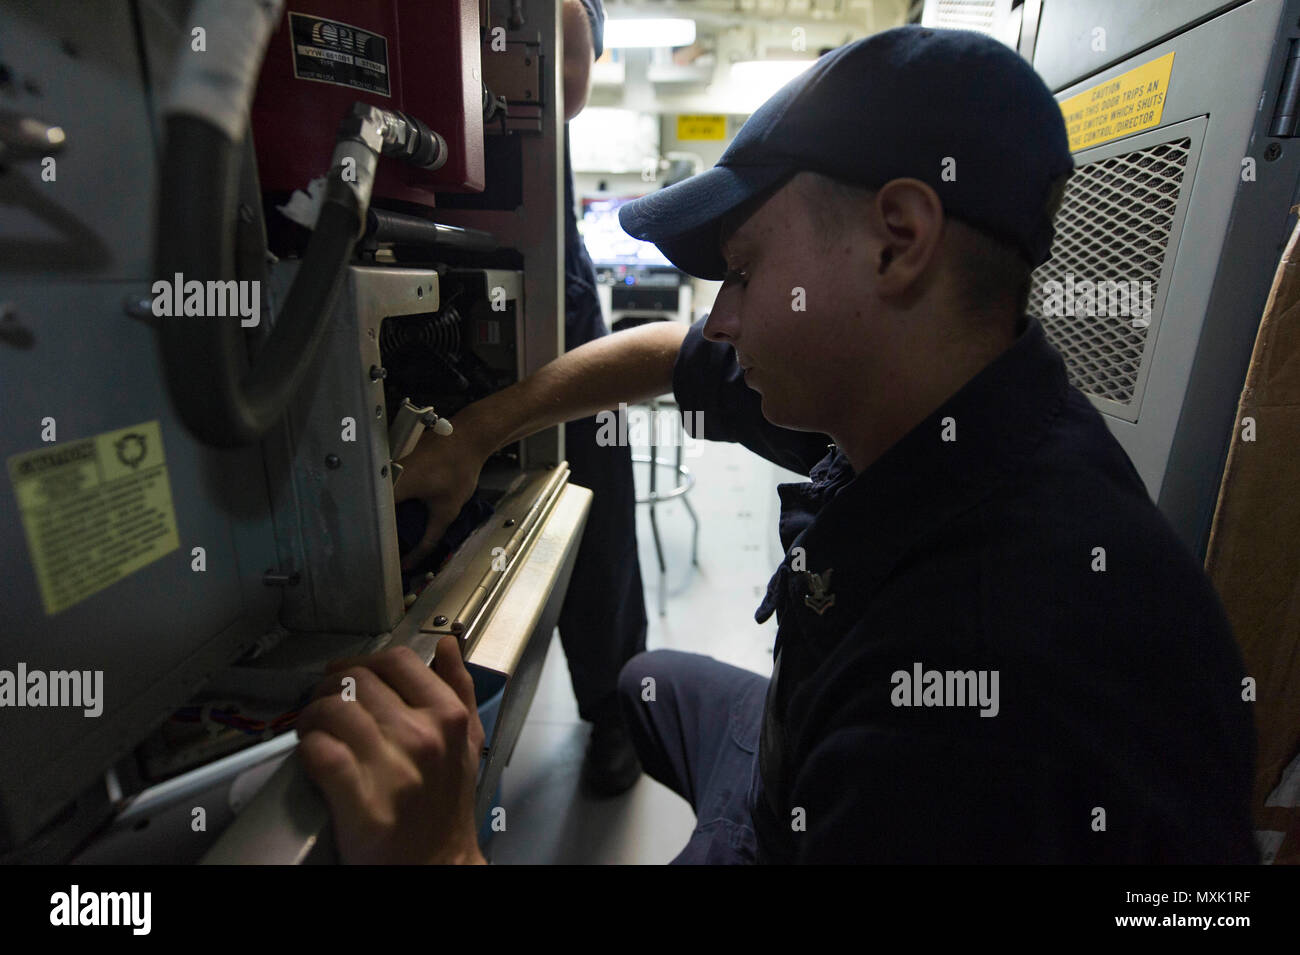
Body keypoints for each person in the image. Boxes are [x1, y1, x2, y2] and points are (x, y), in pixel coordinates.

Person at [296, 25, 1257, 864]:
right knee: (643, 681)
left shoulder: (986, 701)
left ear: (897, 239)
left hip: (836, 809)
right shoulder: (938, 399)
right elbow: (666, 354)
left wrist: (442, 854)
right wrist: (475, 432)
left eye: (744, 270)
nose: (720, 318)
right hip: (803, 755)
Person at [394, 0, 647, 797]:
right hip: (411, 237)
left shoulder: (563, 10)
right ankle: (442, 690)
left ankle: (615, 709)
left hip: (538, 260)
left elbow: (562, 75)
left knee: (595, 509)